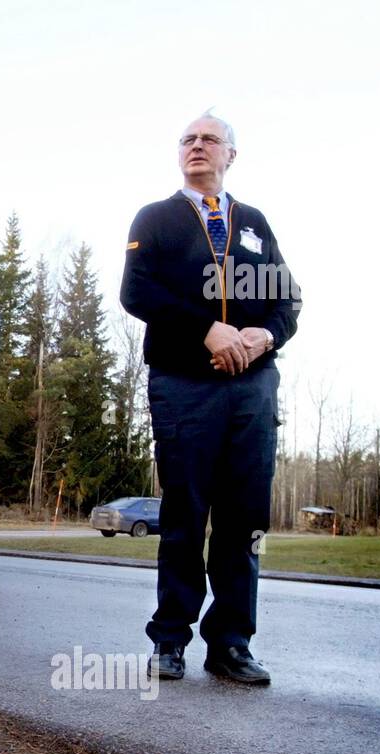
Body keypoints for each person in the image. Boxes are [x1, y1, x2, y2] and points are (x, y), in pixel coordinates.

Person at [120, 112, 301, 684]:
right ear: (179, 155)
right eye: (187, 140)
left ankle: (231, 644)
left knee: (244, 519)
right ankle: (169, 640)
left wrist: (262, 334)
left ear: (231, 156)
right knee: (184, 514)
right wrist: (207, 330)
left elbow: (288, 301)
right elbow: (137, 290)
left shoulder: (254, 225)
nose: (197, 146)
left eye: (209, 140)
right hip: (183, 385)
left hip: (251, 389)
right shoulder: (157, 219)